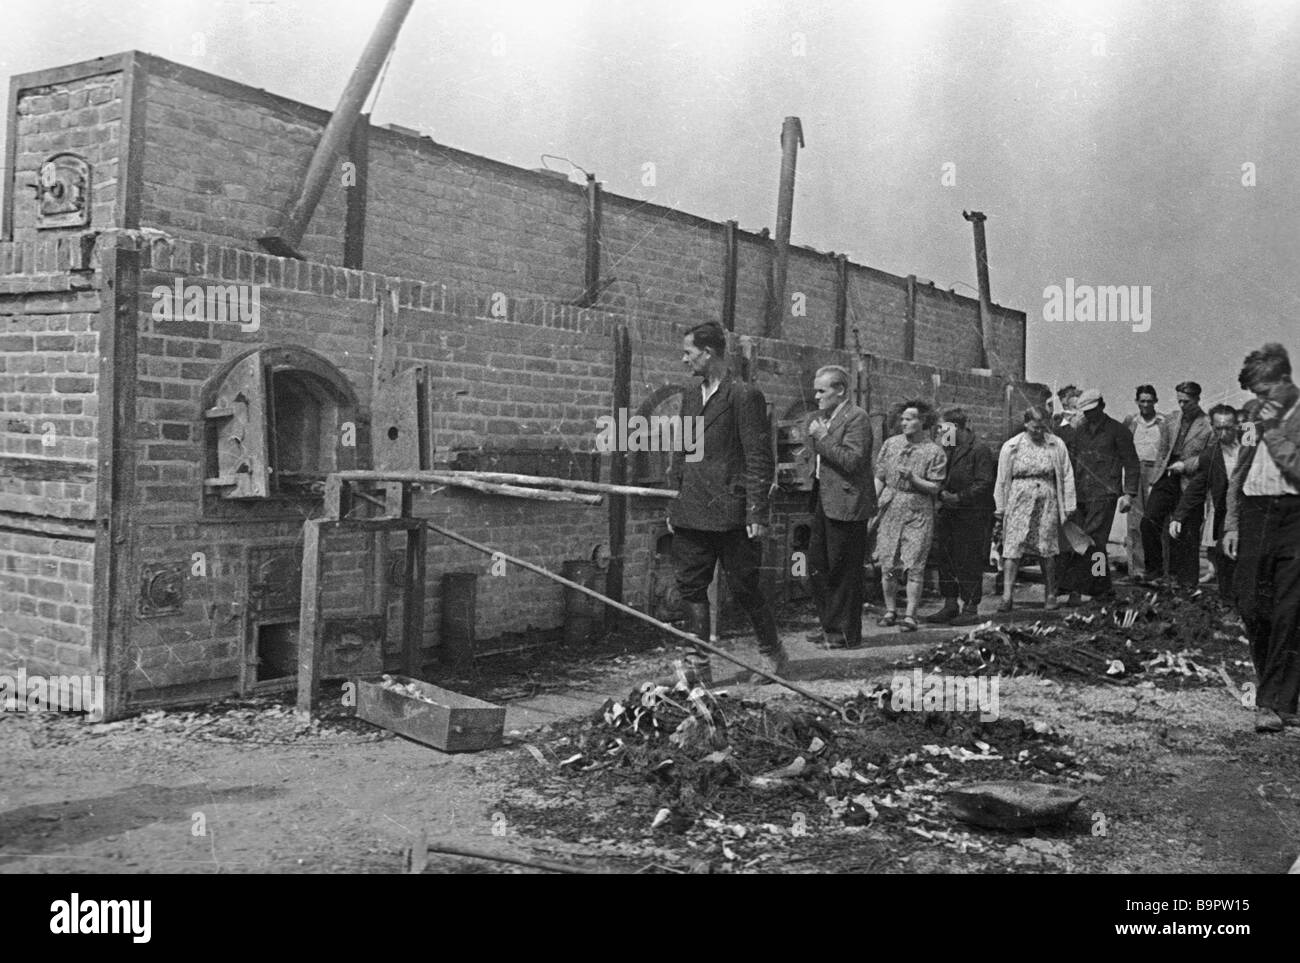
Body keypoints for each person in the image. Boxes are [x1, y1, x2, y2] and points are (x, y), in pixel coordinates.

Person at [667, 322, 779, 684]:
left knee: (745, 586)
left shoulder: (744, 395)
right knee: (691, 587)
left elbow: (759, 457)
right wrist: (676, 502)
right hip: (692, 509)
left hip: (732, 512)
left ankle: (771, 652)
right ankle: (699, 664)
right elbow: (684, 452)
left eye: (689, 353)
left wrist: (757, 511)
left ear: (709, 353)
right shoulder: (689, 395)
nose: (685, 360)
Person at [1223, 343, 1300, 733]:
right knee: (1251, 605)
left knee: (1290, 610)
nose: (1259, 400)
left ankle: (1274, 703)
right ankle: (1278, 693)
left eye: (1264, 392)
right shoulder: (1253, 422)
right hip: (1255, 515)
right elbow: (1238, 474)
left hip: (1294, 517)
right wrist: (1232, 524)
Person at [803, 366, 875, 649]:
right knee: (818, 566)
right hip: (825, 500)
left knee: (844, 571)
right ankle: (830, 625)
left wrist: (822, 437)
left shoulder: (857, 418)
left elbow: (852, 461)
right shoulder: (828, 418)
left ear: (841, 390)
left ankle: (845, 634)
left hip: (847, 503)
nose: (816, 396)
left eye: (822, 390)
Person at [1057, 389, 1139, 604]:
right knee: (1090, 544)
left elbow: (1131, 464)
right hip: (1080, 494)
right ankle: (1102, 588)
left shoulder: (1118, 431)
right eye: (1086, 412)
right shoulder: (1079, 430)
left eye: (1093, 411)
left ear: (1102, 406)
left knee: (1093, 541)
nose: (1089, 415)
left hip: (1105, 495)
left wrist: (1129, 494)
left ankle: (1077, 588)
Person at [873, 400, 947, 632]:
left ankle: (911, 615)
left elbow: (935, 487)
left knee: (914, 563)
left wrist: (914, 478)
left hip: (918, 509)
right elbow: (880, 476)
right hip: (890, 506)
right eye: (902, 418)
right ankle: (890, 610)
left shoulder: (934, 451)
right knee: (888, 562)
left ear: (923, 421)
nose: (904, 422)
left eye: (910, 418)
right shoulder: (891, 444)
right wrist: (872, 503)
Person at [993, 405, 1076, 611]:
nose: (1038, 432)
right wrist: (1000, 507)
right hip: (1019, 499)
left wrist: (1069, 504)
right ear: (1025, 424)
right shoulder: (1012, 446)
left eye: (1041, 427)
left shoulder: (1056, 444)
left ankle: (1050, 594)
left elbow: (1066, 474)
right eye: (1034, 428)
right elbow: (1002, 479)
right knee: (1013, 547)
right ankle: (1007, 596)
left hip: (1047, 499)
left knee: (1046, 547)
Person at [925, 408, 996, 626]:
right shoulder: (948, 448)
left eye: (945, 429)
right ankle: (949, 604)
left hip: (971, 514)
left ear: (958, 427)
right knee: (945, 558)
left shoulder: (979, 449)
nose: (941, 433)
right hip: (948, 512)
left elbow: (984, 483)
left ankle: (971, 607)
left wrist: (959, 498)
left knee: (968, 560)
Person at [1141, 380, 1212, 586]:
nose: (1182, 405)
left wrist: (1186, 465)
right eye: (1179, 401)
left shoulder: (1207, 425)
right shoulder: (1171, 420)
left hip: (1191, 481)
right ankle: (1154, 572)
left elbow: (1208, 457)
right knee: (1149, 521)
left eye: (1187, 401)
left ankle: (1185, 582)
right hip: (1167, 477)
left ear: (1197, 399)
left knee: (1187, 531)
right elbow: (1163, 451)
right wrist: (1155, 479)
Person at [1171, 404, 1241, 598]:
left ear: (1237, 425)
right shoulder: (1211, 455)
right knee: (1223, 558)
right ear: (1212, 426)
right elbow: (1197, 487)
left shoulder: (1250, 448)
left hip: (1252, 514)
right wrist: (1178, 516)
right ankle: (1229, 605)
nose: (1224, 432)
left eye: (1229, 427)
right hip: (1225, 515)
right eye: (1219, 428)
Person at [1122, 385, 1167, 578]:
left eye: (1150, 400)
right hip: (1135, 471)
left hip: (1157, 471)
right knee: (1135, 522)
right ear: (1137, 402)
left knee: (1157, 521)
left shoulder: (1164, 422)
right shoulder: (1131, 421)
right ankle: (1138, 570)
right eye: (1142, 401)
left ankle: (1160, 569)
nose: (1146, 404)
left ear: (1155, 401)